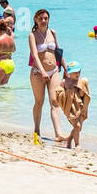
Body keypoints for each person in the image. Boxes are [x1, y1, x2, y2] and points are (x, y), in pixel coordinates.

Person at [27, 9, 67, 142]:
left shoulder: (53, 32)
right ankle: (37, 130)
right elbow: (35, 55)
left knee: (55, 101)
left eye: (45, 18)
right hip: (38, 73)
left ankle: (58, 133)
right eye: (41, 18)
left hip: (54, 70)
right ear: (35, 20)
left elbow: (58, 52)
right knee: (39, 102)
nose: (43, 21)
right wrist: (42, 71)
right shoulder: (32, 35)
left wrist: (66, 69)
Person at [58, 62, 90, 149]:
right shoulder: (64, 82)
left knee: (78, 128)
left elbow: (83, 95)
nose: (77, 74)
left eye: (79, 72)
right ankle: (77, 145)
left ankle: (69, 140)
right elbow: (59, 95)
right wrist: (67, 93)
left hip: (79, 108)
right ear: (69, 73)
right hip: (69, 108)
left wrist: (81, 90)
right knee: (77, 126)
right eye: (75, 72)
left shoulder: (80, 82)